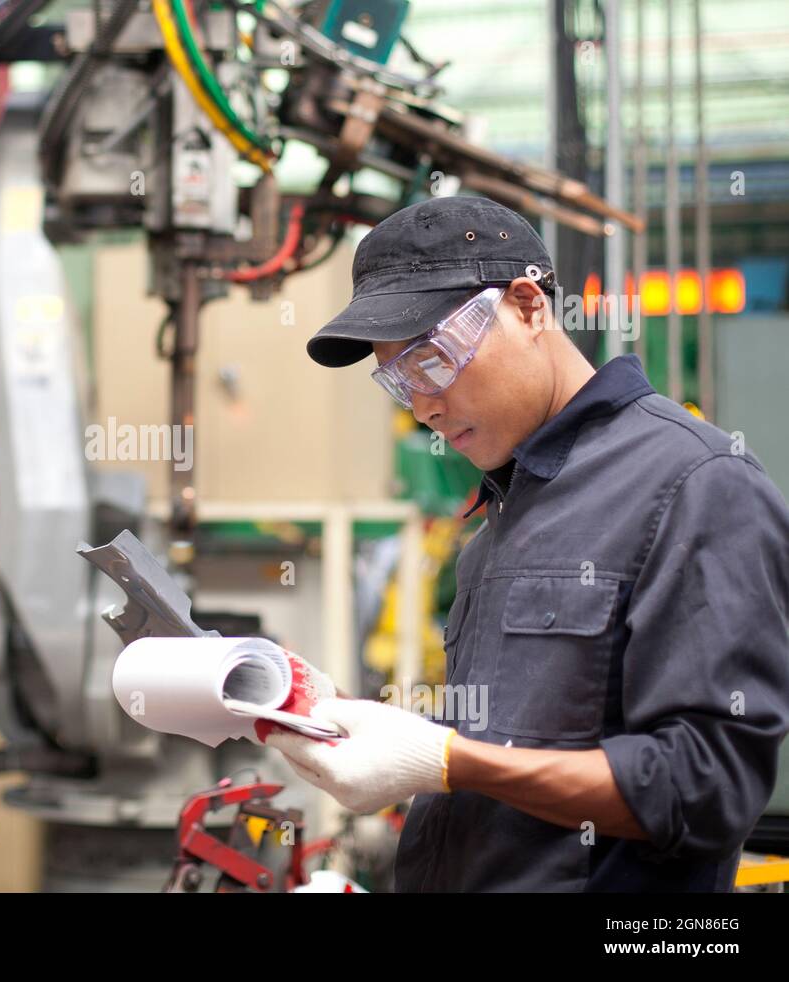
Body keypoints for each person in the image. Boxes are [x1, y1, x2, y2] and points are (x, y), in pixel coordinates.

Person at [267, 195, 789, 891]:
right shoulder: (501, 518)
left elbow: (705, 786)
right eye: (398, 380)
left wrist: (447, 761)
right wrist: (372, 733)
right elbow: (527, 747)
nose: (423, 404)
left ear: (528, 305)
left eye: (433, 358)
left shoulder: (696, 483)